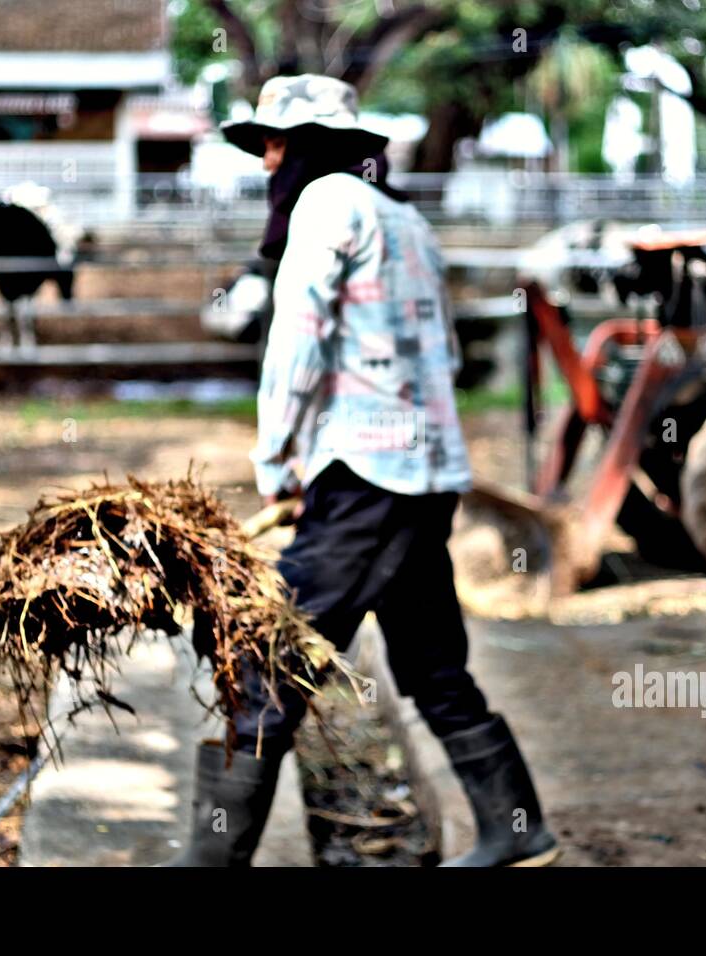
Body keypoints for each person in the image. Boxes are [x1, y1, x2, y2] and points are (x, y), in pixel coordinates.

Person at [167, 75, 558, 868]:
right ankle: (519, 832)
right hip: (422, 473)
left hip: (366, 479)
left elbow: (299, 341)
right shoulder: (407, 220)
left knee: (269, 660)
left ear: (307, 147)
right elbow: (442, 352)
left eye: (275, 144)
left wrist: (279, 457)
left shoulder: (324, 204)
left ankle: (212, 860)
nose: (267, 161)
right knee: (430, 663)